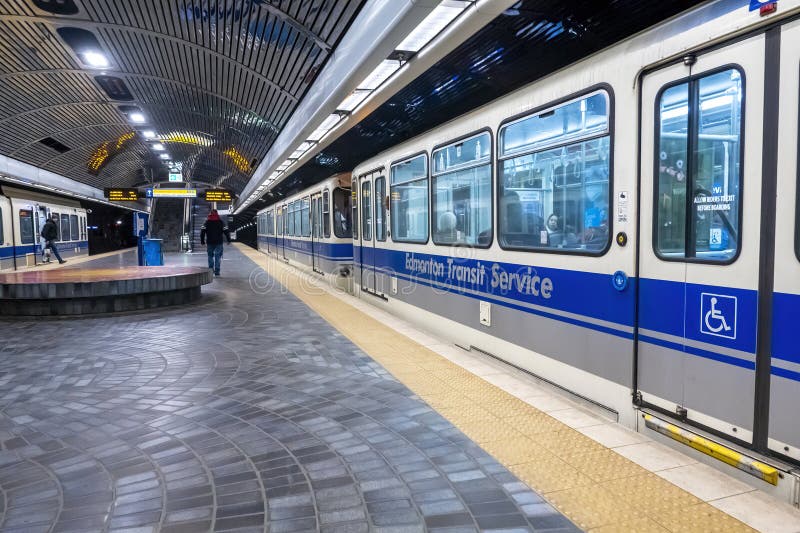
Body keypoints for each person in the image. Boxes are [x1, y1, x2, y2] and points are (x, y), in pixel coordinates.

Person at [200, 209, 231, 276]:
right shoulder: (221, 222)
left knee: (210, 256)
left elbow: (202, 232)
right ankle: (217, 272)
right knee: (217, 256)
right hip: (218, 242)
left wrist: (202, 241)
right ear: (217, 214)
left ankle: (211, 270)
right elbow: (226, 231)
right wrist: (229, 240)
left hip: (210, 242)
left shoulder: (206, 222)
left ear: (210, 214)